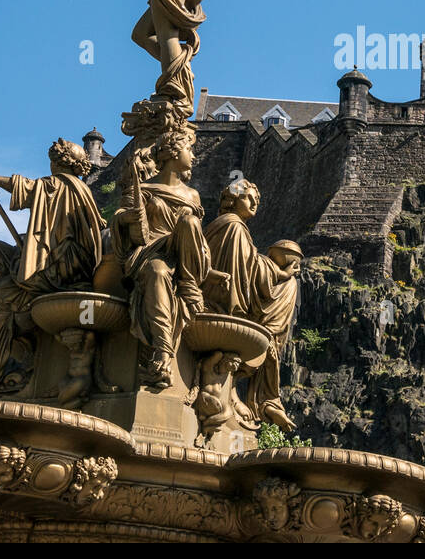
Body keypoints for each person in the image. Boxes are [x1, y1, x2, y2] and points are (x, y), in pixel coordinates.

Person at [0, 139, 103, 393]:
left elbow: (26, 187)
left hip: (57, 272)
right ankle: (15, 311)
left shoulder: (56, 184)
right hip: (61, 262)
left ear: (57, 163)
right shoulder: (82, 190)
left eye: (53, 160)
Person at [115, 119, 209, 391]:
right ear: (172, 153)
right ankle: (162, 350)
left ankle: (190, 286)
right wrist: (126, 219)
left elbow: (197, 239)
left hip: (184, 257)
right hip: (150, 252)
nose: (193, 156)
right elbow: (121, 220)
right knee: (156, 272)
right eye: (189, 150)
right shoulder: (143, 189)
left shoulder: (193, 195)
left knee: (190, 222)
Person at [204, 178, 301, 430]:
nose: (254, 203)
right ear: (232, 199)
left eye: (257, 200)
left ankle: (254, 395)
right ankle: (263, 398)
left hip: (225, 299)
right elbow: (249, 266)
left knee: (289, 287)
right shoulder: (232, 227)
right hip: (223, 302)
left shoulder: (231, 228)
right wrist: (281, 274)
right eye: (248, 198)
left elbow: (251, 262)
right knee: (289, 287)